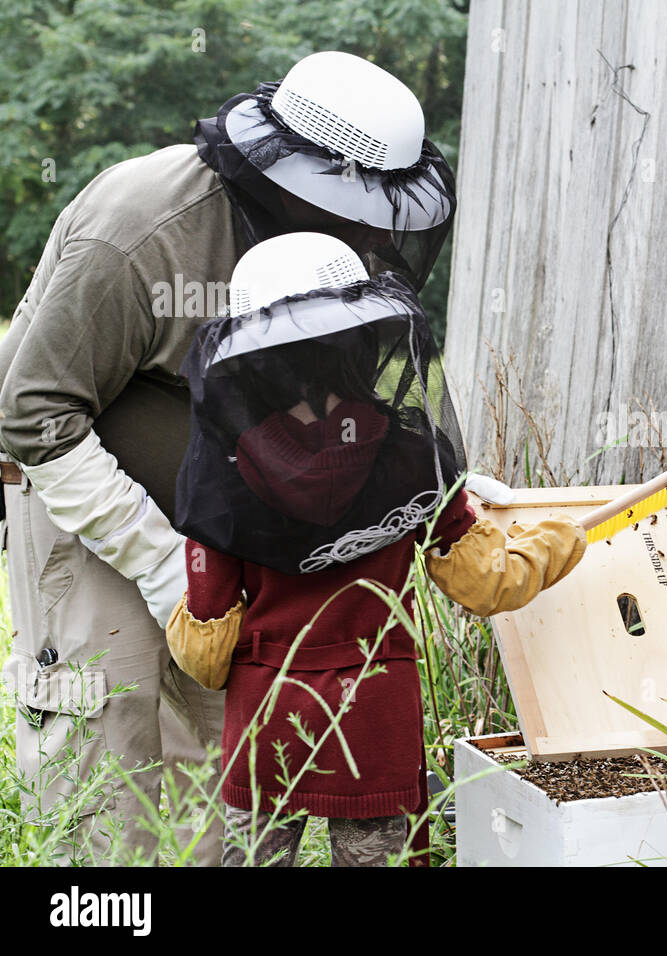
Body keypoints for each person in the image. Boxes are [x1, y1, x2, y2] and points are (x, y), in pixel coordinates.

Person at [0, 50, 457, 864]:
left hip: (244, 522)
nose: (370, 235)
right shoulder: (143, 225)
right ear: (281, 177)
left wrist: (454, 496)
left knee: (226, 767)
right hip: (87, 485)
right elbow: (31, 413)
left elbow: (400, 399)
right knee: (111, 749)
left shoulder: (354, 251)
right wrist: (161, 563)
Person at [164, 233, 586, 866]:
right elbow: (487, 584)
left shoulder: (223, 472)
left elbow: (206, 651)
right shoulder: (409, 450)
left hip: (267, 716)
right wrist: (560, 533)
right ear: (362, 334)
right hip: (373, 715)